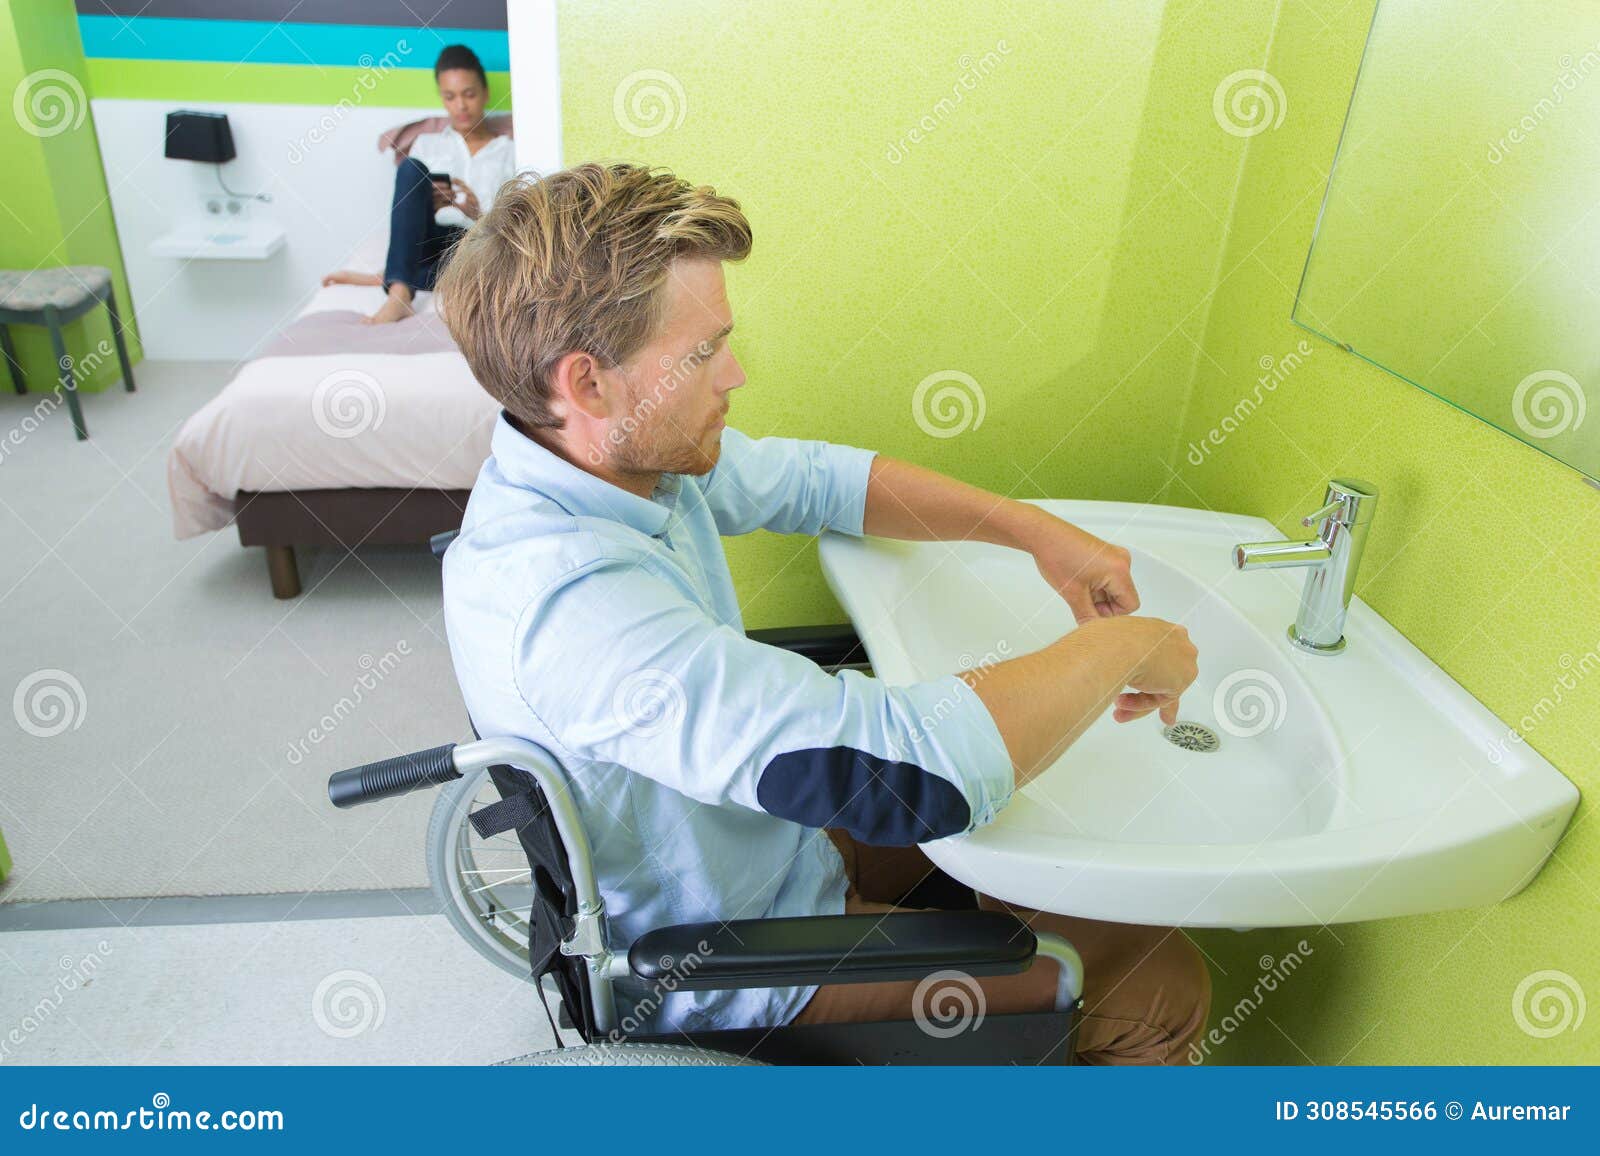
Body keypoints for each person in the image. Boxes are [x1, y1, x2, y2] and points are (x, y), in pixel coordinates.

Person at [435, 163, 1209, 1064]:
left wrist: (1037, 535)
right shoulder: (575, 612)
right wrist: (1126, 647)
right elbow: (916, 775)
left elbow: (815, 482)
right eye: (700, 354)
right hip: (729, 966)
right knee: (1160, 985)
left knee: (1034, 810)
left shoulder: (597, 461)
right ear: (590, 382)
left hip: (765, 852)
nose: (736, 373)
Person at [322, 44, 515, 324]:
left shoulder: (509, 150)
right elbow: (409, 211)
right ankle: (400, 293)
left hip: (477, 241)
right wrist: (430, 202)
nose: (460, 106)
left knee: (488, 265)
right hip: (429, 238)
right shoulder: (427, 143)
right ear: (442, 99)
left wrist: (478, 215)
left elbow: (516, 223)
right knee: (412, 168)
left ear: (485, 93)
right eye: (450, 97)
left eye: (469, 94)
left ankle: (388, 276)